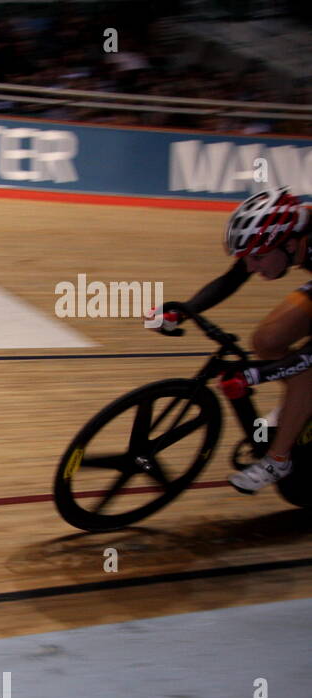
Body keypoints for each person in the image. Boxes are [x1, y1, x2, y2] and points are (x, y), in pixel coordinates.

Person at [152, 187, 311, 493]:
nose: (251, 267)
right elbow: (234, 277)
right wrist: (185, 311)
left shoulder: (289, 236)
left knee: (303, 367)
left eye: (258, 258)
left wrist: (259, 374)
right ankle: (299, 404)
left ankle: (278, 460)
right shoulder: (284, 233)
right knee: (268, 340)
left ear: (290, 245)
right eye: (247, 257)